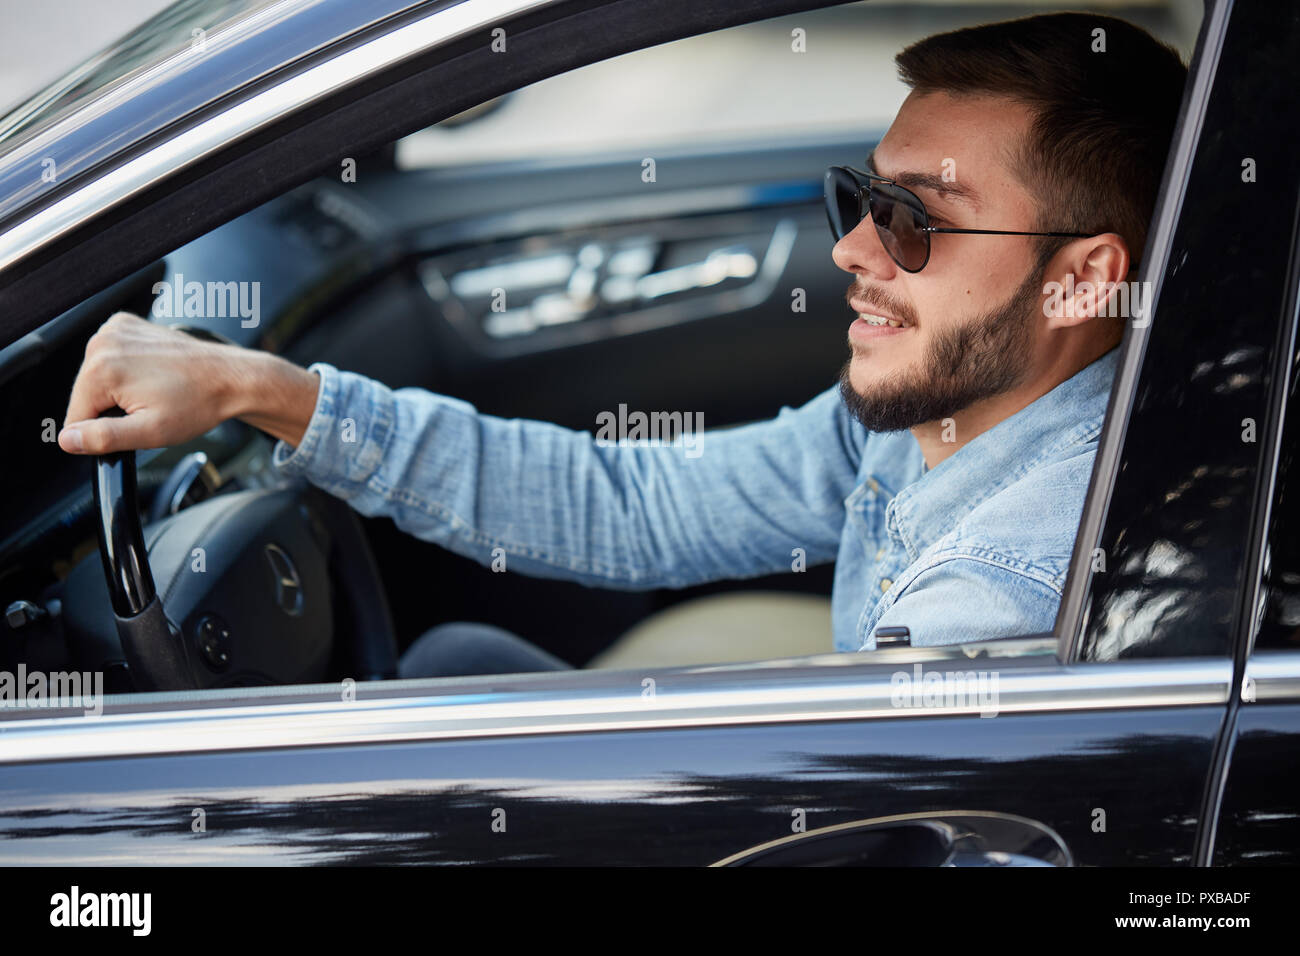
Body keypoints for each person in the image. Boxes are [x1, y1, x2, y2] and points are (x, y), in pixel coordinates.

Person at [56, 13, 1187, 676]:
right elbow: (636, 504)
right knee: (456, 670)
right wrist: (275, 392)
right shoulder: (938, 419)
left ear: (1082, 280)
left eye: (912, 217)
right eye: (860, 195)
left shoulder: (997, 602)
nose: (851, 248)